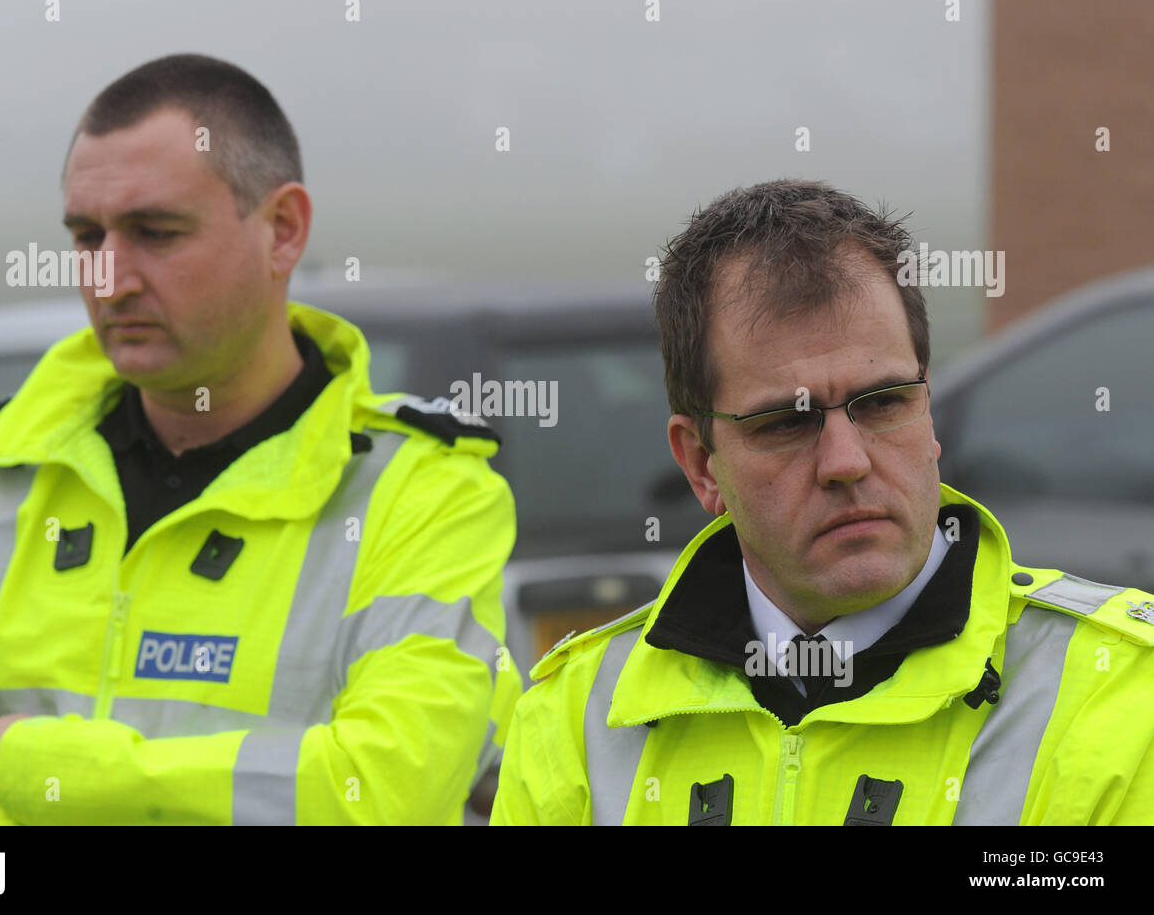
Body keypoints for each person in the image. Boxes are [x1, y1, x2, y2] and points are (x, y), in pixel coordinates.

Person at [0, 53, 519, 825]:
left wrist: (38, 765)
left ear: (283, 229)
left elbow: (379, 791)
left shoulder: (427, 494)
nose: (110, 277)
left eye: (155, 232)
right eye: (86, 235)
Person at [491, 179, 1153, 825]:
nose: (846, 461)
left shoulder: (1121, 694)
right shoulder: (573, 721)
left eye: (883, 402)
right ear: (700, 463)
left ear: (927, 411)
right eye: (786, 422)